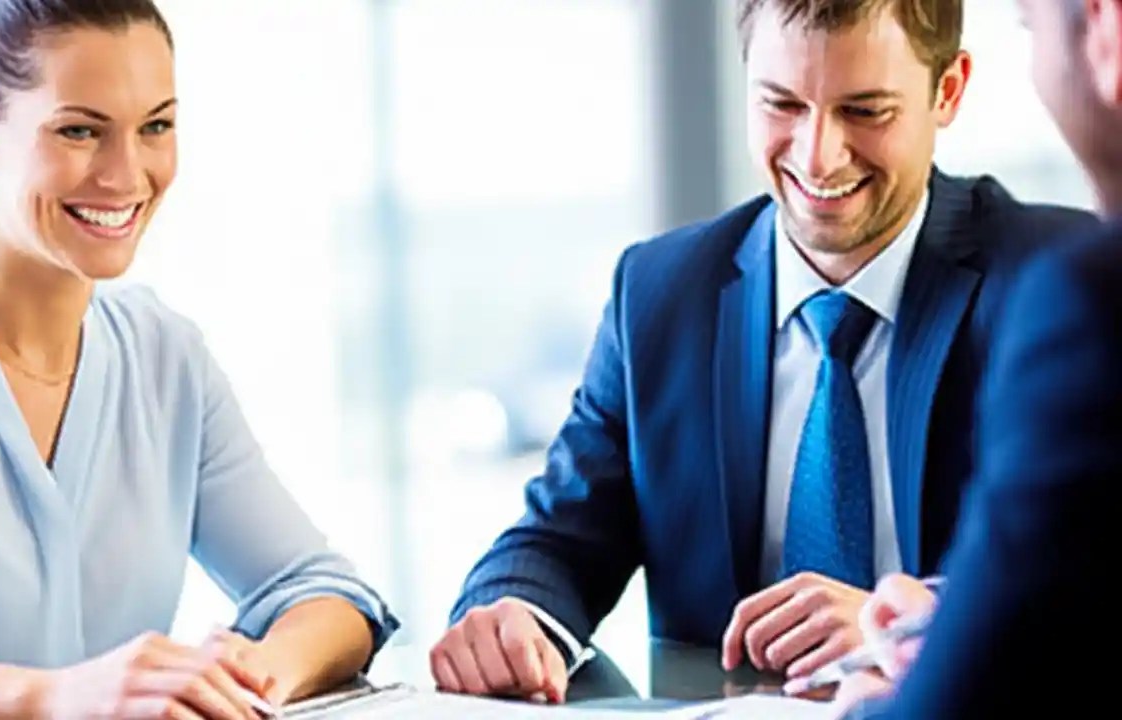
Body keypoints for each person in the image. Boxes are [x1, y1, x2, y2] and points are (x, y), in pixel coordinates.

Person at [429, 0, 1096, 705]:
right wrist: (513, 614)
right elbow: (559, 537)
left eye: (865, 111)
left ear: (948, 92)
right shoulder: (659, 294)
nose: (817, 155)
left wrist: (912, 627)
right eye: (782, 104)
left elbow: (1097, 559)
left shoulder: (1064, 281)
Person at [0, 1, 397, 718]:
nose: (127, 175)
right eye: (79, 130)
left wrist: (250, 673)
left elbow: (326, 593)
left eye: (155, 127)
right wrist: (51, 698)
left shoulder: (164, 358)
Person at [829, 0, 1122, 715]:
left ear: (1106, 27)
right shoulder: (658, 286)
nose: (820, 155)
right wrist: (956, 611)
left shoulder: (1089, 301)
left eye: (1031, 27)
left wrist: (866, 707)